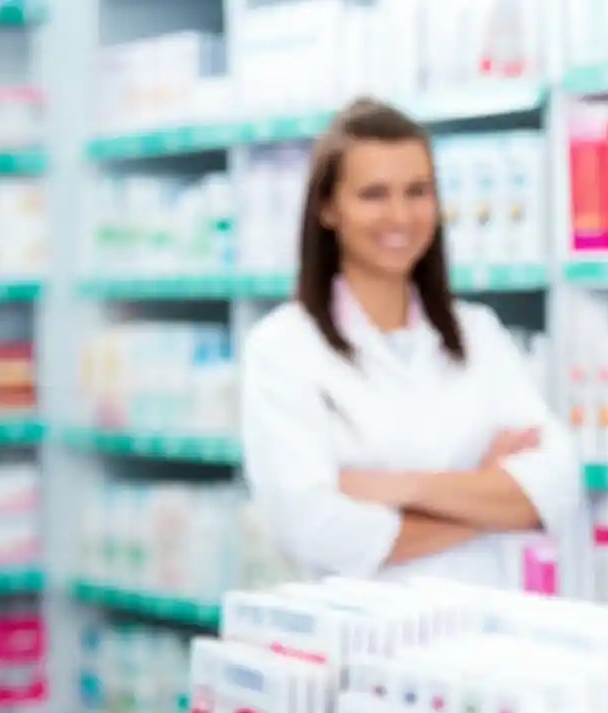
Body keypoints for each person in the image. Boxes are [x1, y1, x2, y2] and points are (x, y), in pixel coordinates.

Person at [240, 98, 579, 588]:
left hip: (485, 635)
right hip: (362, 643)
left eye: (417, 191)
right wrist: (486, 497)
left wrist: (397, 487)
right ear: (328, 208)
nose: (400, 216)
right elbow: (312, 528)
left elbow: (558, 484)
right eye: (374, 194)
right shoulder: (283, 348)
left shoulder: (478, 332)